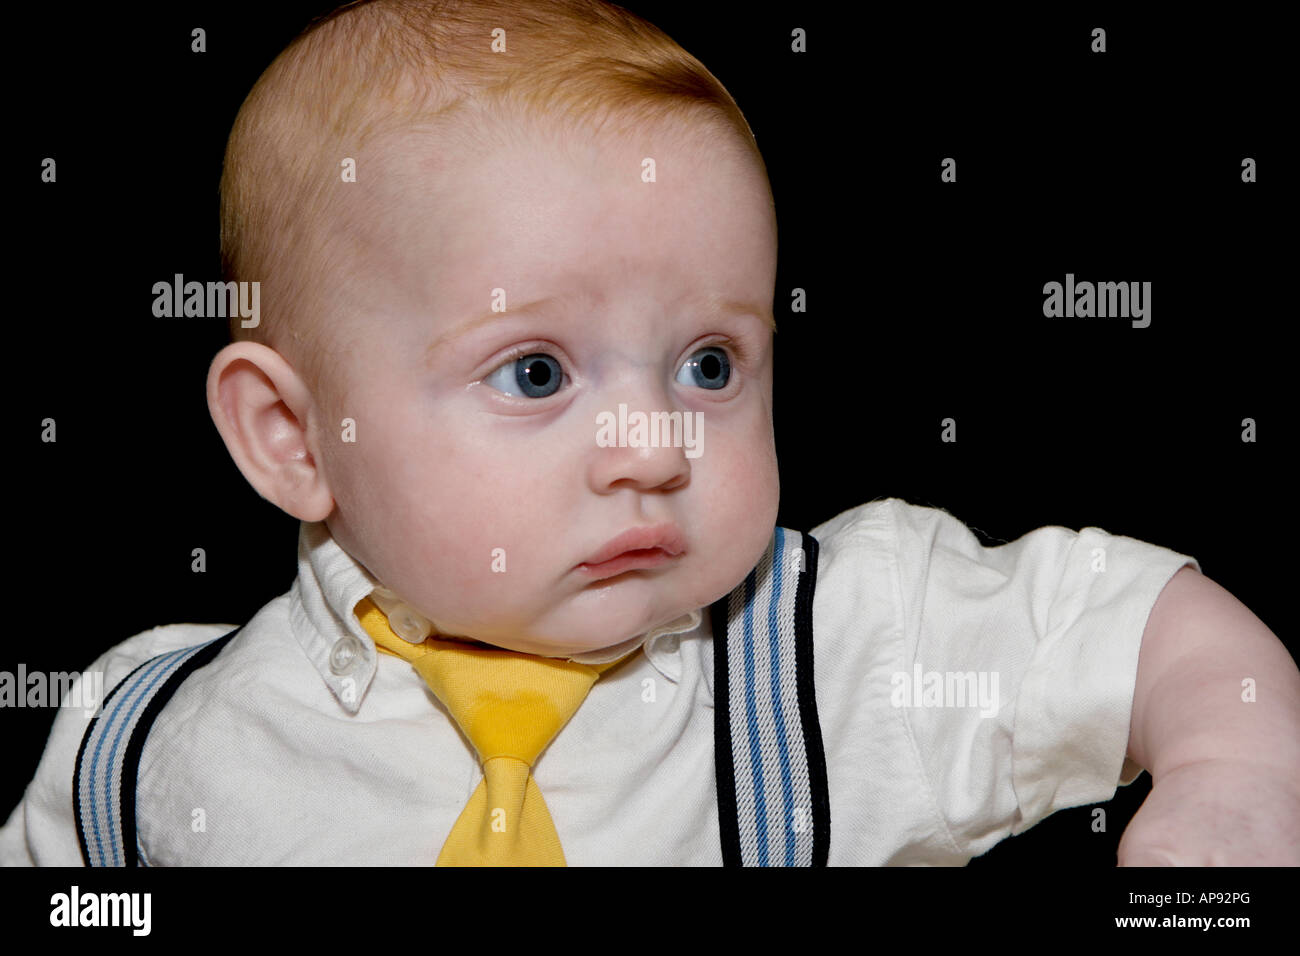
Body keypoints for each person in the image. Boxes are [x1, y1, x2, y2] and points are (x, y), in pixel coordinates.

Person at [3, 0, 1296, 866]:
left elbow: (1134, 628)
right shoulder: (142, 742)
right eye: (535, 373)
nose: (653, 443)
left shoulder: (833, 657)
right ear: (292, 436)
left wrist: (1237, 770)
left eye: (710, 362)